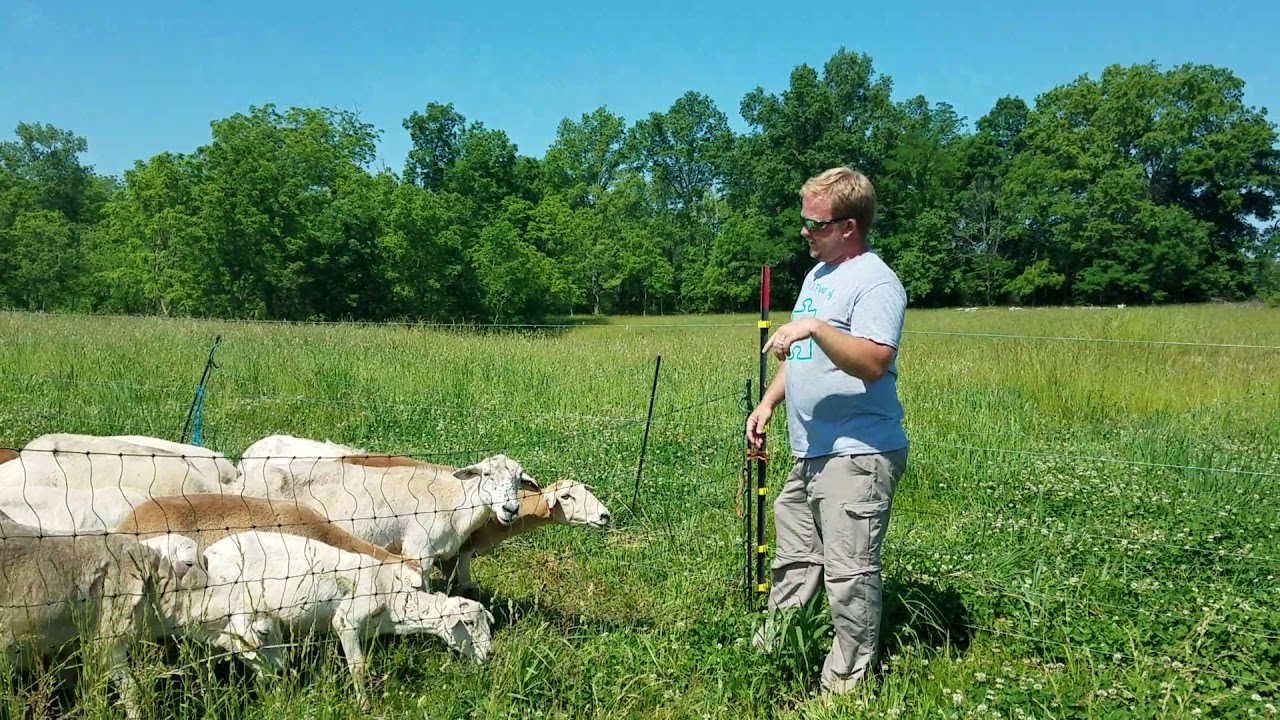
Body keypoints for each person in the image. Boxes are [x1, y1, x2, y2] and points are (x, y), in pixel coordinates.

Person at [746, 166, 909, 696]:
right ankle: (779, 643)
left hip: (858, 453)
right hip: (811, 449)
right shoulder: (817, 278)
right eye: (805, 221)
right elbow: (802, 356)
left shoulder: (876, 282)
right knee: (795, 557)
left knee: (849, 572)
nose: (804, 232)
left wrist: (816, 326)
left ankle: (845, 685)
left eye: (815, 224)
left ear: (849, 226)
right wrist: (769, 403)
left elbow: (875, 361)